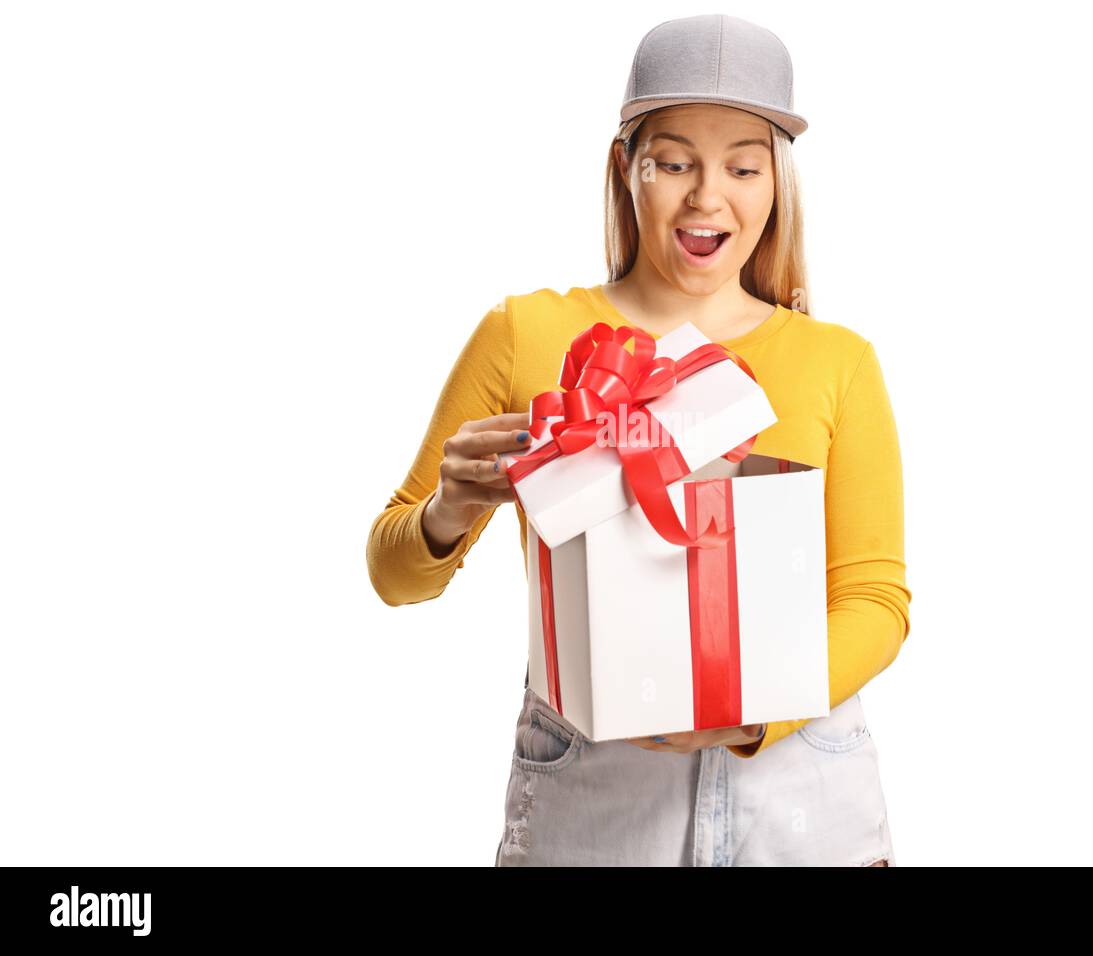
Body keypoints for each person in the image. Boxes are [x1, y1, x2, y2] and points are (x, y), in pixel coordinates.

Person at [366, 14, 911, 866]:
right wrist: (446, 508)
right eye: (674, 161)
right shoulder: (529, 335)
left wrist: (757, 710)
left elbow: (875, 598)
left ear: (778, 181)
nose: (706, 196)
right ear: (627, 168)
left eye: (741, 164)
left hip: (803, 806)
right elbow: (392, 573)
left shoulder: (835, 360)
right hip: (595, 809)